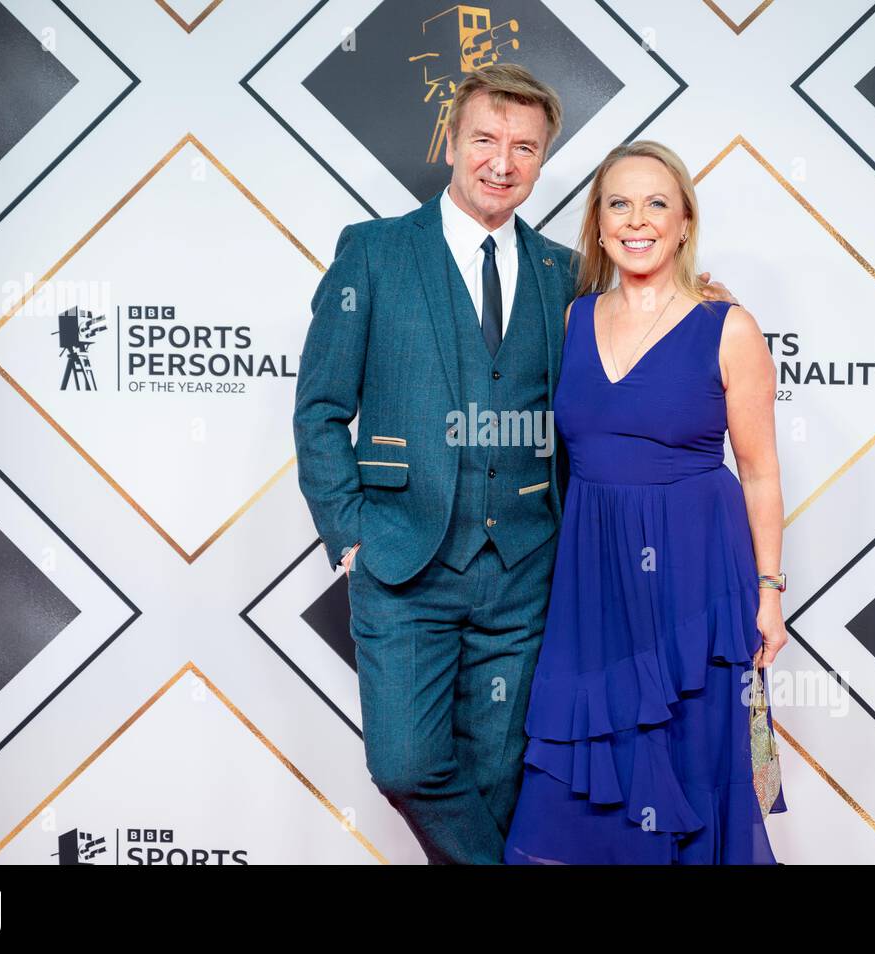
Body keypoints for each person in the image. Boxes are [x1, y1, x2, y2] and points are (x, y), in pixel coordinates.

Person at [293, 64, 734, 864]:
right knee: (407, 764)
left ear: (541, 160)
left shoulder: (564, 277)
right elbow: (320, 409)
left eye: (525, 147)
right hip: (402, 564)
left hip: (527, 574)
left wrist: (691, 299)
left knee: (501, 777)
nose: (503, 162)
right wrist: (350, 531)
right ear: (452, 143)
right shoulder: (375, 254)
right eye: (487, 140)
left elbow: (624, 360)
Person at [503, 140, 791, 865]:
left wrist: (769, 595)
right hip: (593, 593)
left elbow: (758, 473)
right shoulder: (572, 322)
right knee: (573, 793)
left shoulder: (729, 328)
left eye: (658, 202)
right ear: (597, 225)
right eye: (619, 203)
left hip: (697, 588)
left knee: (693, 773)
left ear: (685, 222)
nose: (638, 220)